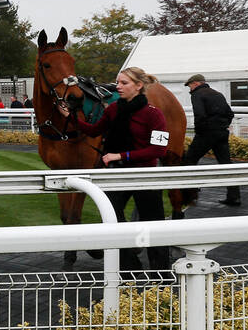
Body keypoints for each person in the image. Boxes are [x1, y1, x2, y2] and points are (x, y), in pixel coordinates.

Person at [56, 66, 173, 272]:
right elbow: (93, 130)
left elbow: (158, 150)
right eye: (118, 82)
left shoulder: (154, 115)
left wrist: (121, 155)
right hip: (116, 175)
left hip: (144, 176)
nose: (118, 87)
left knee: (154, 227)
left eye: (124, 83)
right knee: (112, 222)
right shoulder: (113, 109)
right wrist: (70, 117)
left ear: (138, 86)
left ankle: (161, 275)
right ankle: (130, 270)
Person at [183, 74, 240, 207]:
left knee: (189, 161)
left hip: (206, 133)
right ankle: (234, 197)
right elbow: (230, 114)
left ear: (196, 84)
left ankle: (190, 193)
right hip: (221, 133)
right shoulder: (217, 94)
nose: (189, 89)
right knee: (226, 164)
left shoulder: (197, 94)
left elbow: (200, 115)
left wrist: (200, 132)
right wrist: (223, 125)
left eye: (190, 85)